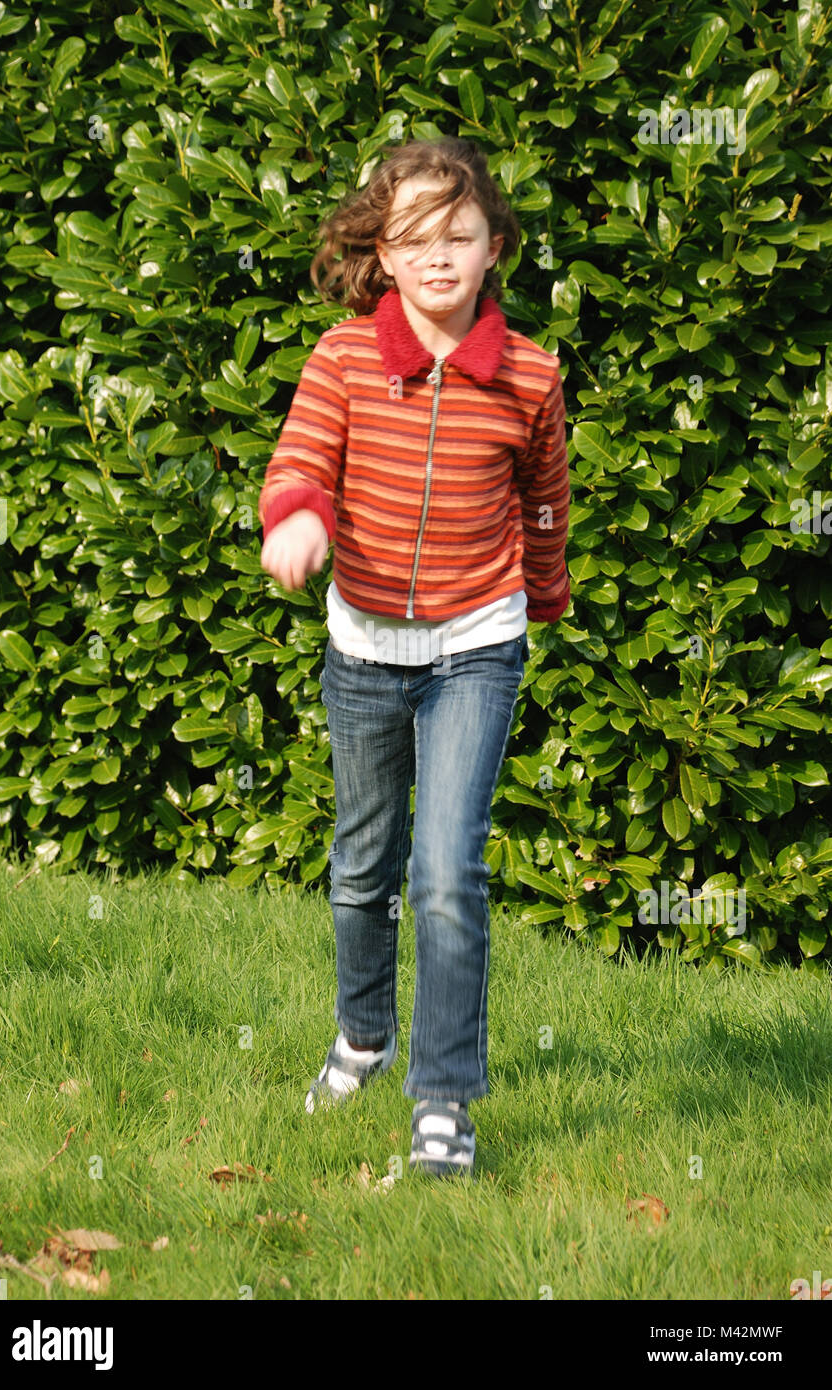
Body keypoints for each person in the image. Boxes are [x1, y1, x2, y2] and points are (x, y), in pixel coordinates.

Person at [258, 136, 570, 1178]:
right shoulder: (344, 357)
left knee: (446, 872)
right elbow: (301, 456)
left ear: (494, 249)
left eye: (461, 235)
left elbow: (543, 501)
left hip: (478, 644)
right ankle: (362, 1035)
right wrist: (297, 519)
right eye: (414, 239)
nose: (439, 257)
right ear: (380, 255)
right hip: (365, 651)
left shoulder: (528, 375)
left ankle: (442, 1099)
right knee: (361, 866)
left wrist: (546, 592)